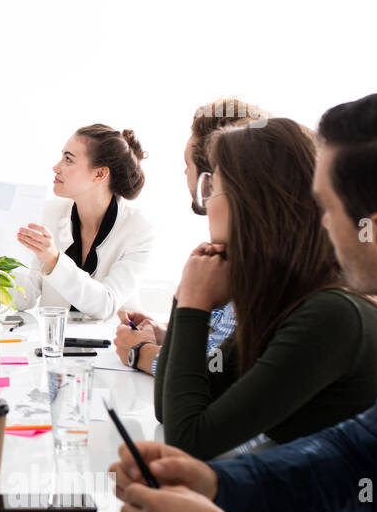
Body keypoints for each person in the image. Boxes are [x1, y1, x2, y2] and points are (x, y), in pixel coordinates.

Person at [113, 89, 377, 512]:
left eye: (324, 206)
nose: (314, 221)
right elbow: (368, 458)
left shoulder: (334, 311)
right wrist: (216, 485)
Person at [148, 116, 377, 512]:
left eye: (212, 186)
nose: (204, 202)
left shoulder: (331, 313)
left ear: (252, 201)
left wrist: (194, 305)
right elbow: (172, 408)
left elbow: (191, 440)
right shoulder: (291, 299)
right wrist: (185, 298)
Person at [113, 97, 266, 373]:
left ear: (212, 177)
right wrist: (169, 332)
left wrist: (140, 352)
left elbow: (207, 376)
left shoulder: (253, 259)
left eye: (188, 163)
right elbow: (217, 341)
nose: (185, 172)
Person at [8, 125, 154, 320]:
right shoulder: (50, 213)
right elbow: (25, 298)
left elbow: (106, 304)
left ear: (100, 174)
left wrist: (54, 259)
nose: (56, 167)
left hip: (111, 345)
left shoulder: (138, 229)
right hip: (53, 344)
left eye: (68, 159)